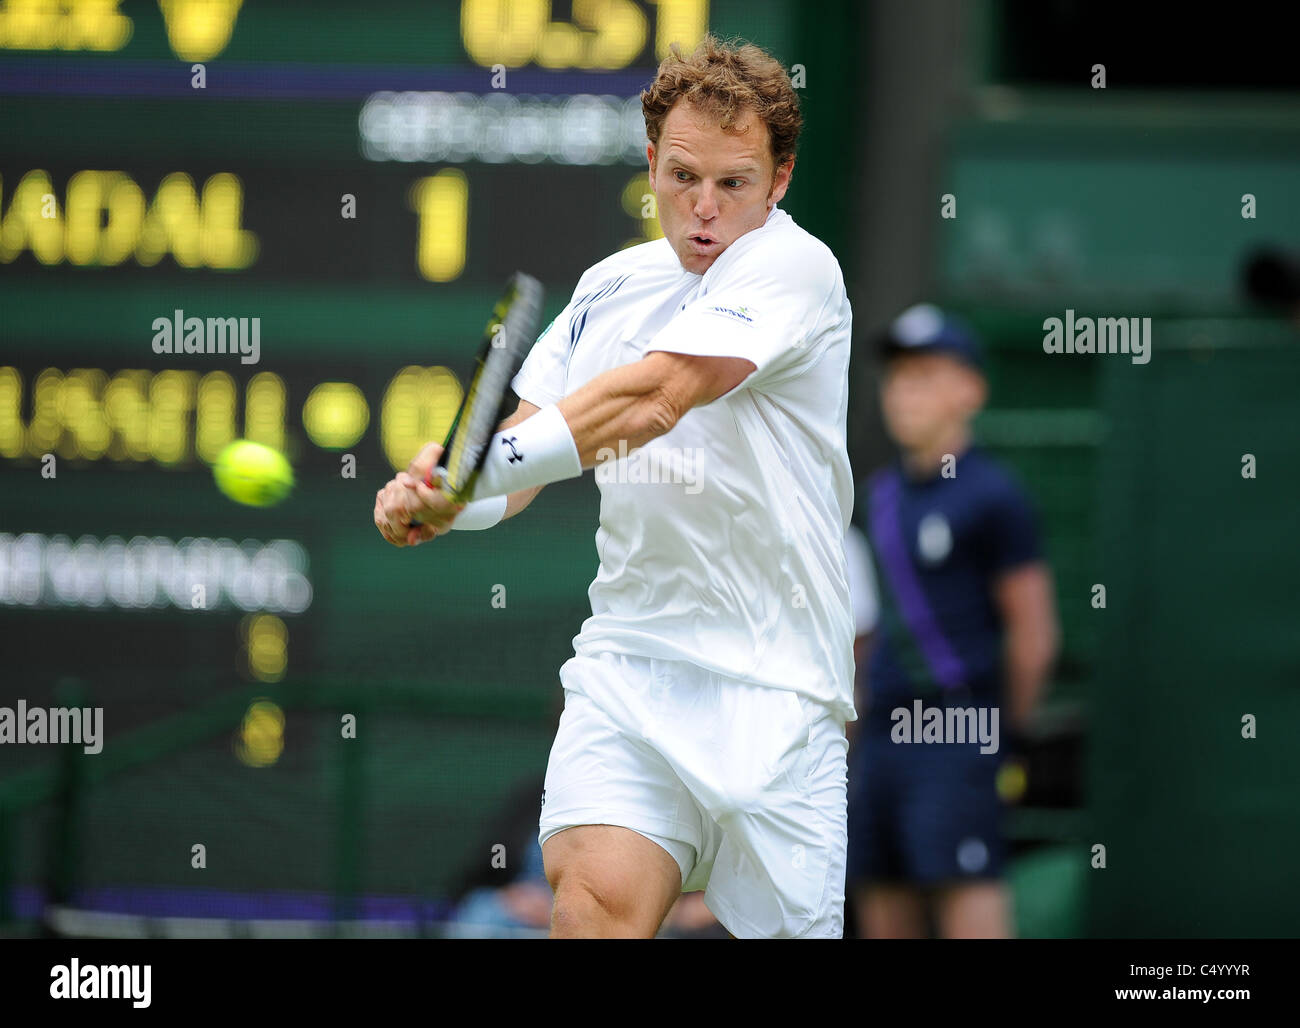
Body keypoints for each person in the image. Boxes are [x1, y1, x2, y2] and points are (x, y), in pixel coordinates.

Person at [373, 34, 856, 938]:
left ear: (780, 179)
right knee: (589, 907)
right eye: (682, 177)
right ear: (651, 163)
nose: (704, 208)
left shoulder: (799, 270)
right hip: (632, 668)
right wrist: (449, 500)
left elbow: (658, 396)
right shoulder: (611, 288)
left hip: (779, 690)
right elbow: (518, 459)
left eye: (734, 183)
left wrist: (482, 468)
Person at [846, 303, 1060, 939]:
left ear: (971, 389)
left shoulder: (994, 494)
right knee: (880, 902)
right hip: (881, 737)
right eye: (898, 376)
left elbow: (1035, 636)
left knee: (969, 905)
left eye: (927, 373)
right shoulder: (880, 494)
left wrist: (996, 736)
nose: (906, 390)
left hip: (957, 729)